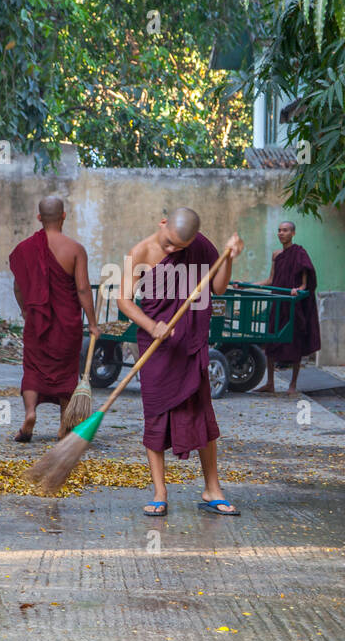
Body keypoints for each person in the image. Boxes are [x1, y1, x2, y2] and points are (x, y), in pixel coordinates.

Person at [117, 207, 244, 517]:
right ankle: (160, 491)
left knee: (201, 413)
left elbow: (219, 288)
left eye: (180, 248)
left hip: (189, 344)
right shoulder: (141, 251)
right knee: (157, 414)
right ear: (162, 223)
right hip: (157, 346)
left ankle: (212, 488)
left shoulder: (200, 245)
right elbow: (123, 299)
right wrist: (151, 326)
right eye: (170, 243)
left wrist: (227, 259)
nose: (173, 250)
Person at [9, 197, 100, 441]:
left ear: (39, 217)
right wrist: (92, 323)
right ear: (64, 216)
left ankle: (30, 414)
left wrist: (25, 311)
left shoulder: (24, 248)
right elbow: (82, 289)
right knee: (67, 373)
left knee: (32, 368)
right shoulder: (75, 249)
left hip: (36, 321)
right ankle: (64, 426)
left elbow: (18, 286)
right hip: (67, 323)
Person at [256, 220, 321, 395]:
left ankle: (292, 384)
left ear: (293, 233)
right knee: (270, 342)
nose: (281, 233)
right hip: (277, 303)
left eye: (285, 230)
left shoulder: (299, 253)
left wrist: (299, 289)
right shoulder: (277, 255)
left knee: (295, 343)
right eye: (279, 230)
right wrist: (248, 284)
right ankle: (270, 383)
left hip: (293, 306)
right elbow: (270, 279)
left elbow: (304, 281)